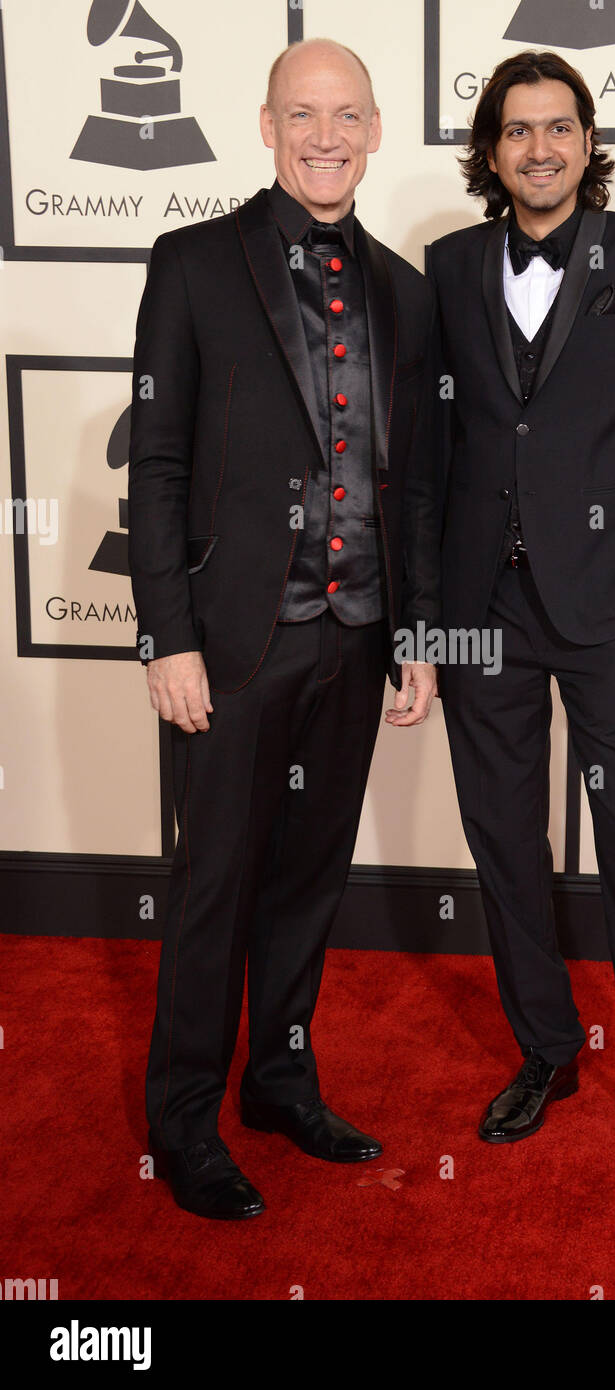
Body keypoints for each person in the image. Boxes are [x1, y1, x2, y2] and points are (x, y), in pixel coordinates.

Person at [128, 38, 440, 1220]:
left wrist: (412, 633)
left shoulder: (406, 293)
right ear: (265, 127)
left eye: (346, 115)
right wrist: (167, 637)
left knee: (308, 884)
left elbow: (410, 485)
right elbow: (155, 464)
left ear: (372, 132)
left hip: (355, 639)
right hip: (233, 643)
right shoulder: (194, 263)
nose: (325, 136)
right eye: (302, 114)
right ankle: (184, 1121)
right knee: (215, 886)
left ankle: (280, 1080)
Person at [429, 49, 615, 1211]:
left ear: (585, 142)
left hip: (605, 608)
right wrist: (426, 618)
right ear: (491, 150)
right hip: (480, 612)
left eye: (559, 129)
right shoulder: (448, 267)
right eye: (517, 131)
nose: (539, 149)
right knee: (503, 845)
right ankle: (546, 1053)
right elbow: (437, 451)